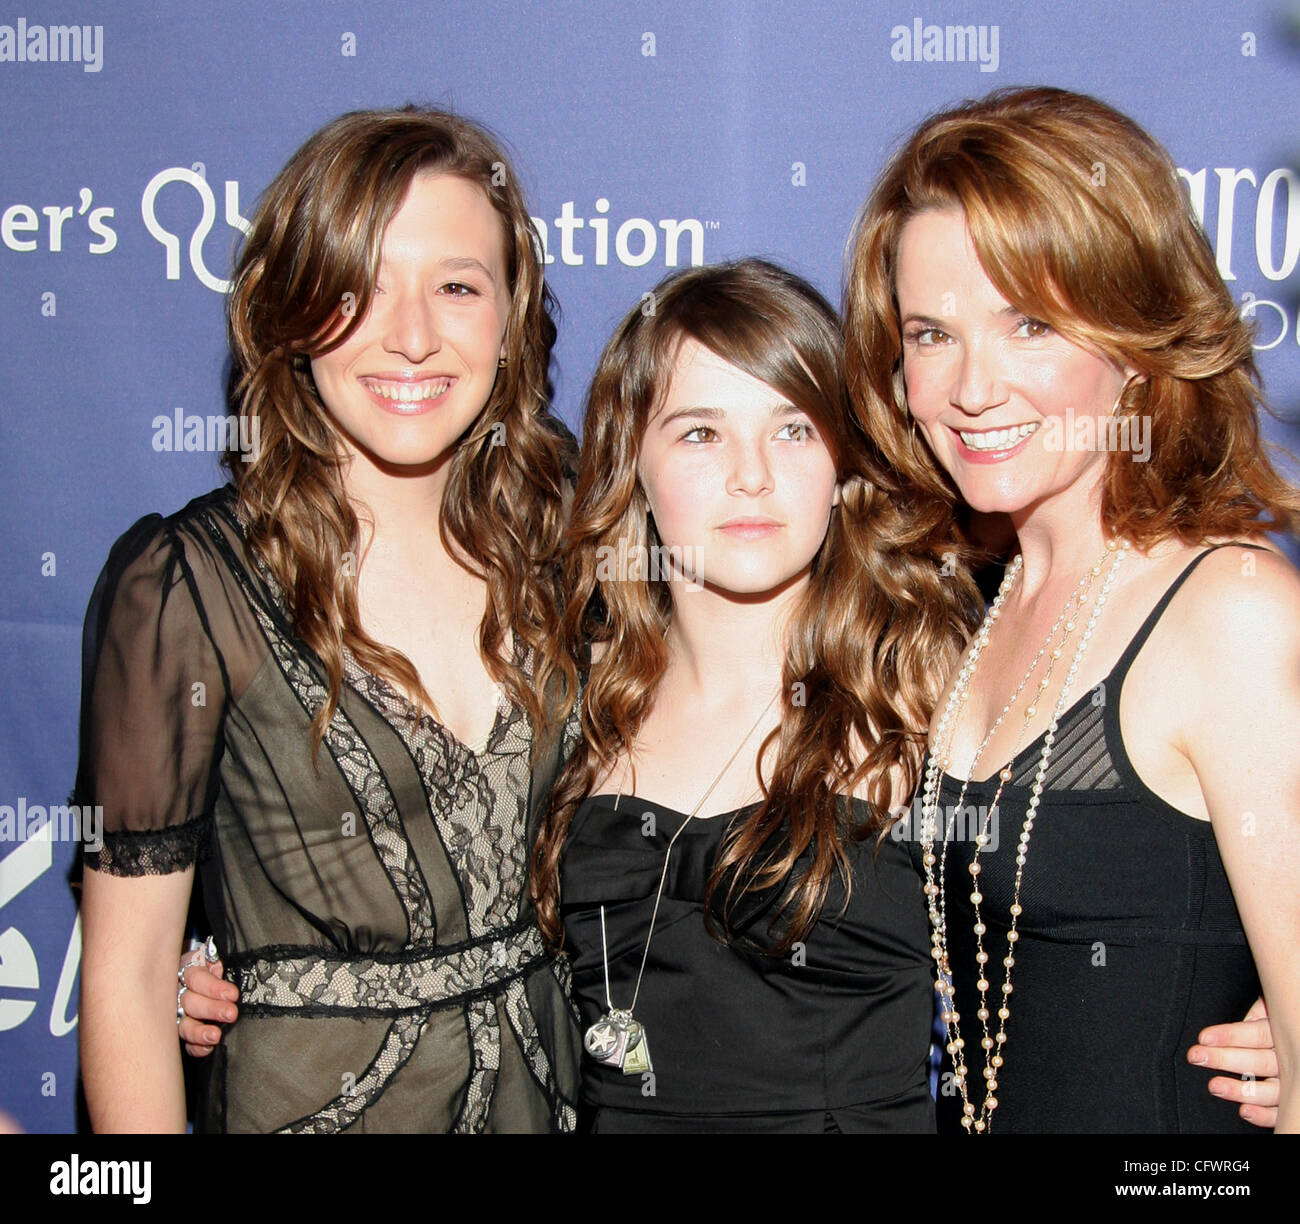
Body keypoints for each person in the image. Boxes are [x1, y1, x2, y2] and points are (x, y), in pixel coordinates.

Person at [75, 106, 582, 1133]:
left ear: (510, 313)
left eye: (455, 285)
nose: (410, 335)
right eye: (361, 285)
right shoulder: (189, 587)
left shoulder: (577, 538)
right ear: (297, 312)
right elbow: (128, 981)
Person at [844, 86, 1299, 1133]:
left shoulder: (1227, 612)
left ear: (1135, 337)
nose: (970, 386)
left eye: (1030, 323)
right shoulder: (967, 599)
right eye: (929, 333)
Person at [529, 258, 974, 1132]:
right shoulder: (565, 707)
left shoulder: (933, 696)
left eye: (794, 430)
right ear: (633, 464)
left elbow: (1100, 921)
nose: (751, 476)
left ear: (844, 463)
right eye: (700, 433)